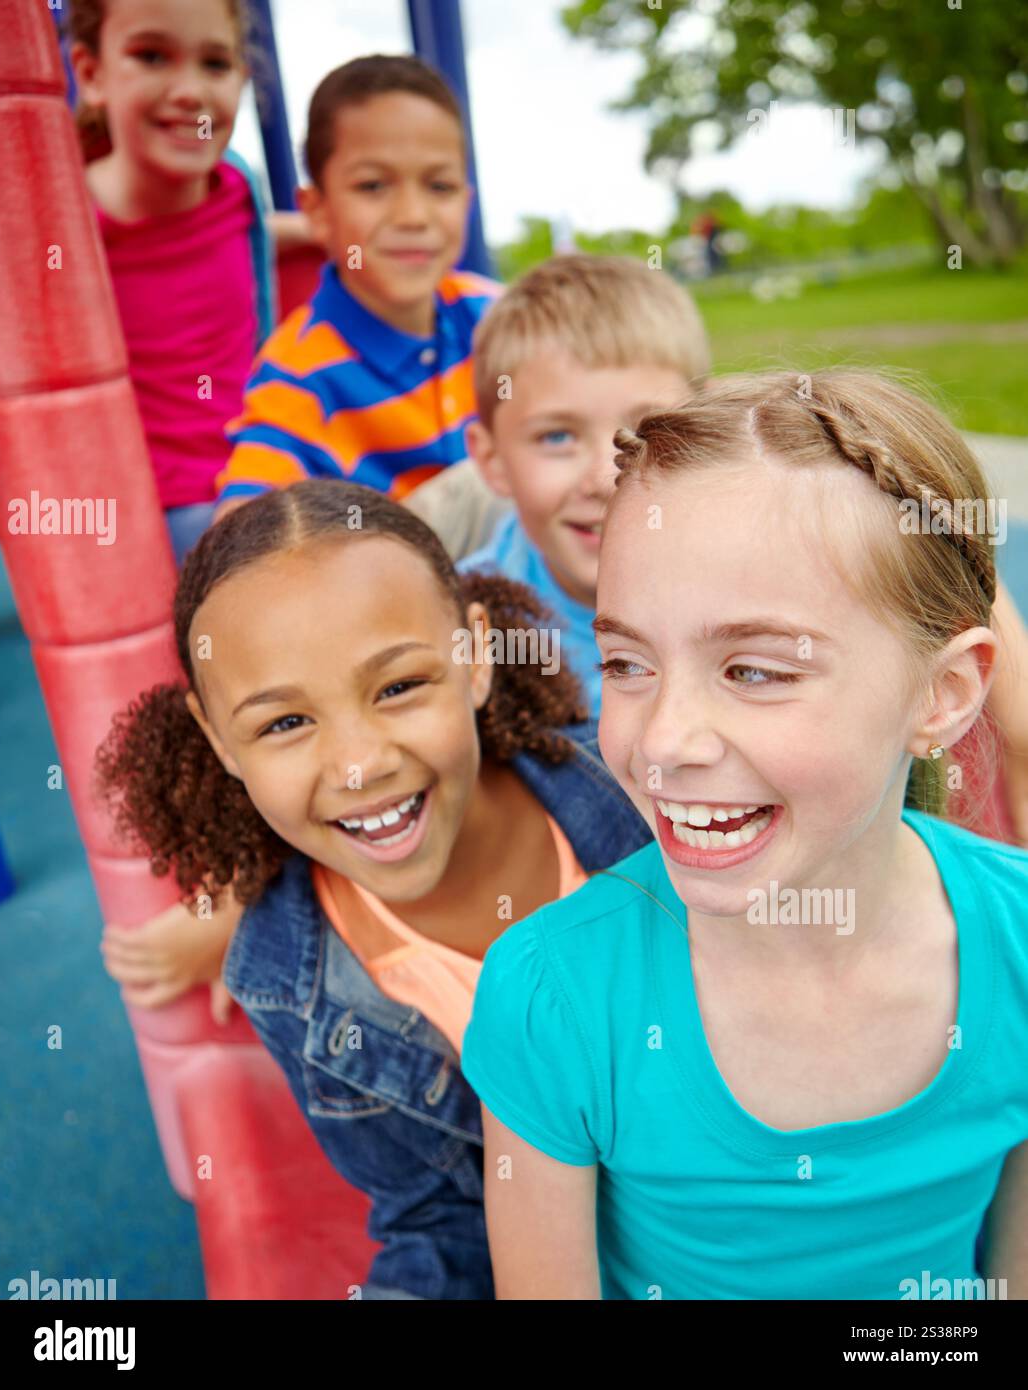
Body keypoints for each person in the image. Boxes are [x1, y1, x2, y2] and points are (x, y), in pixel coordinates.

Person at [461, 369, 1028, 1299]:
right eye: (626, 662)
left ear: (945, 693)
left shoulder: (1018, 945)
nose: (665, 741)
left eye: (756, 671)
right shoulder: (555, 993)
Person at [95, 480, 651, 1298]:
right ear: (218, 741)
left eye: (396, 687)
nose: (358, 763)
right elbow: (440, 1223)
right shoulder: (294, 989)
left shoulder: (642, 800)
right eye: (285, 723)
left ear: (475, 658)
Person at [212, 55, 499, 514]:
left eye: (439, 187)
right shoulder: (298, 376)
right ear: (318, 211)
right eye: (373, 186)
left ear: (466, 203)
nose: (413, 216)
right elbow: (242, 526)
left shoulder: (495, 317)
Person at [68, 0, 293, 564]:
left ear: (242, 78)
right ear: (92, 74)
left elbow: (237, 246)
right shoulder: (68, 218)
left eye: (215, 64)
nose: (190, 90)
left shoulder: (238, 189)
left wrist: (333, 229)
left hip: (260, 462)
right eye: (151, 56)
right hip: (149, 508)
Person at [456, 253, 710, 716]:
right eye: (557, 437)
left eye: (647, 430)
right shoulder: (468, 629)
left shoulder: (756, 581)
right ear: (492, 460)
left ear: (708, 432)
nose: (604, 479)